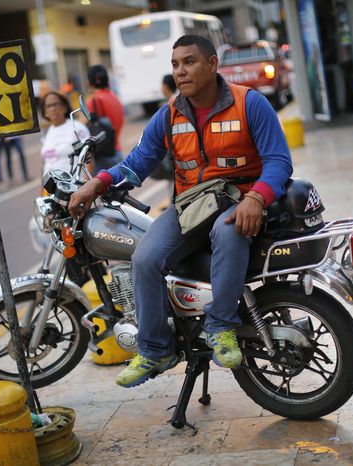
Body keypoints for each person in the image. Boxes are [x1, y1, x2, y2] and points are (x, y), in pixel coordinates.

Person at [69, 35, 292, 388]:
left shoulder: (248, 103)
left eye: (189, 62)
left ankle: (221, 326)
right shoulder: (170, 114)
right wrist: (98, 183)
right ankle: (155, 349)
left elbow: (279, 160)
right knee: (145, 258)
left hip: (239, 199)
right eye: (175, 65)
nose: (180, 71)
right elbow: (138, 162)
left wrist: (257, 199)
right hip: (190, 206)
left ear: (212, 64)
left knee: (228, 230)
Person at [39, 91, 90, 175]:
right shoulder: (48, 132)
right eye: (48, 106)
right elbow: (46, 163)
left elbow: (89, 159)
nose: (52, 108)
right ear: (45, 112)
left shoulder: (76, 128)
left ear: (65, 107)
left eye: (56, 104)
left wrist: (85, 184)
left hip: (75, 185)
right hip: (52, 187)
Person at [86, 65, 125, 172]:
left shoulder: (92, 101)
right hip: (116, 153)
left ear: (89, 83)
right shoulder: (115, 98)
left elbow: (82, 130)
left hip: (101, 159)